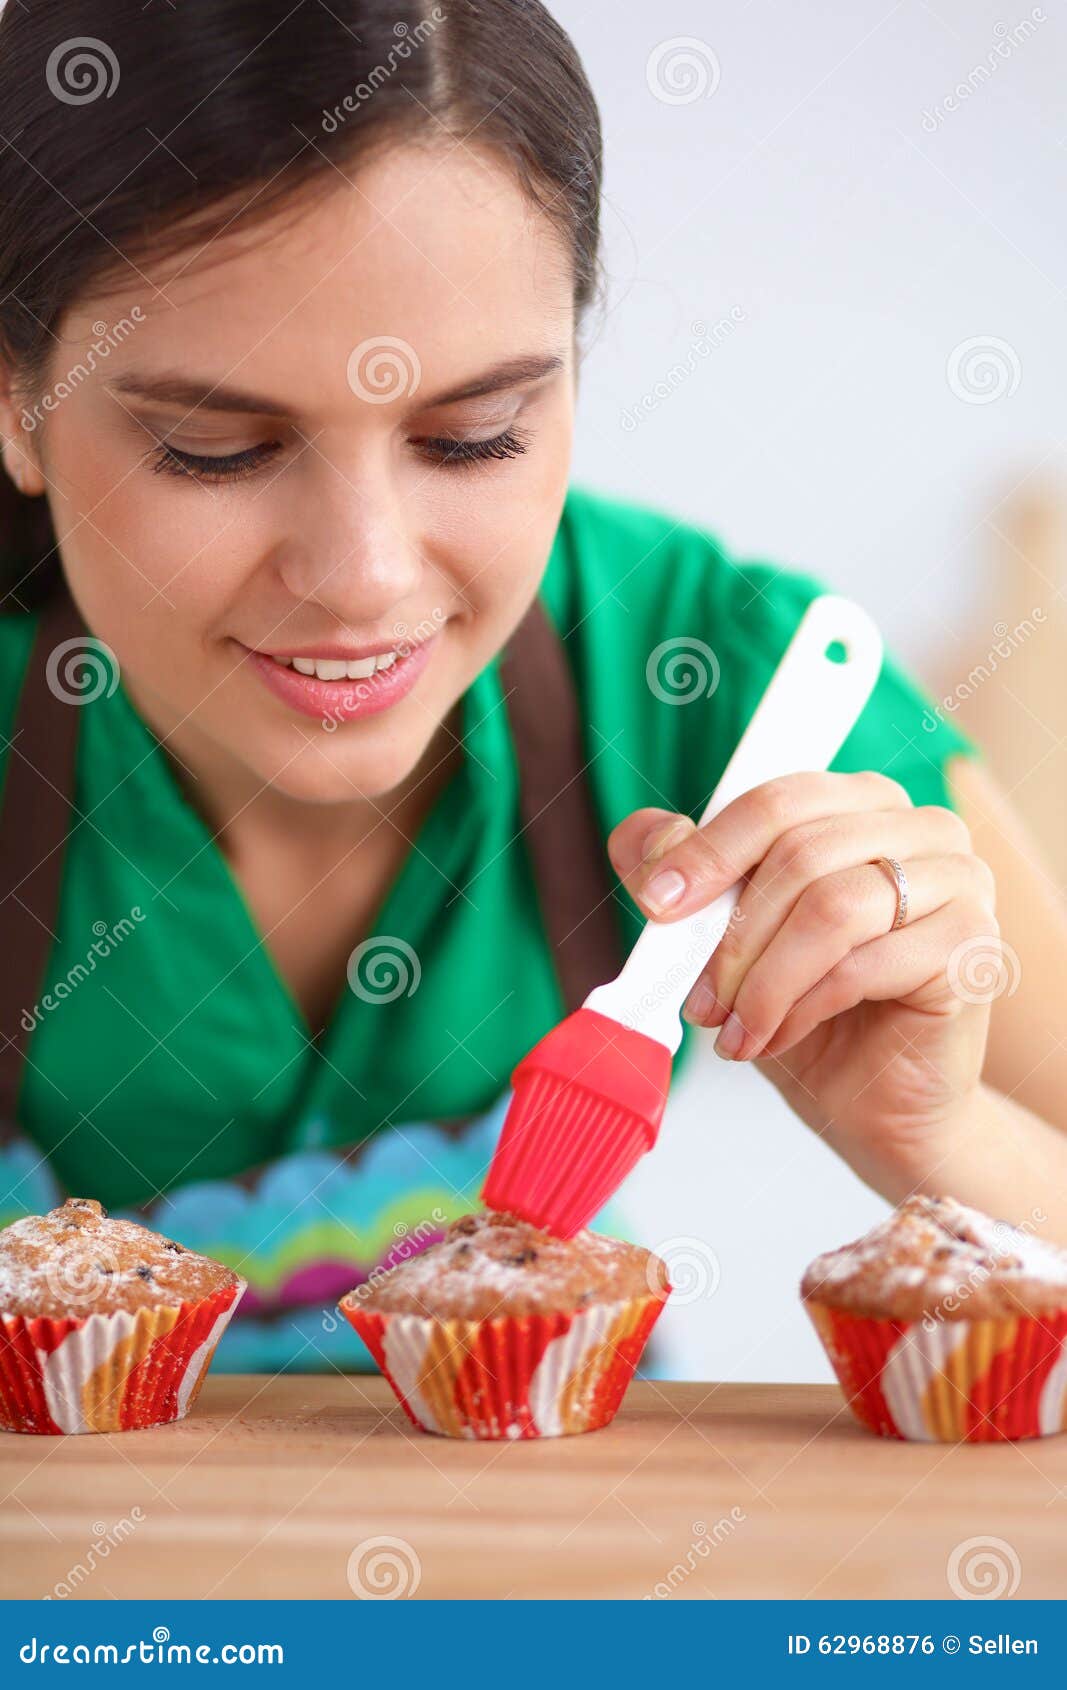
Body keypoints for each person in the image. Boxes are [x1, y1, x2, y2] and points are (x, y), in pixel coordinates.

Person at [2, 0, 1065, 1374]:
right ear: (21, 399)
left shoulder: (731, 682)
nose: (366, 577)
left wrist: (944, 1139)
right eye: (216, 448)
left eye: (473, 435)